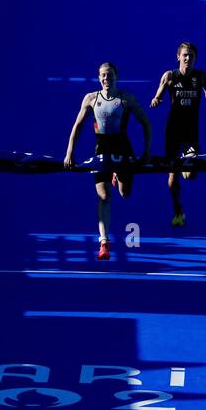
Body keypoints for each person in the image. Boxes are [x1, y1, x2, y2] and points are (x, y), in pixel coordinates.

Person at [64, 62, 151, 261]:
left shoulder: (126, 98)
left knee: (125, 193)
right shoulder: (91, 99)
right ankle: (104, 242)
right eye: (103, 75)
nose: (106, 79)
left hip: (123, 149)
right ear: (98, 78)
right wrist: (69, 152)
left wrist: (145, 152)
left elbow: (146, 123)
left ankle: (117, 177)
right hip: (101, 150)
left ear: (116, 77)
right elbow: (77, 126)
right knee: (103, 196)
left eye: (110, 75)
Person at [151, 42, 206, 227]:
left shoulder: (202, 76)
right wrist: (156, 99)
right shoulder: (170, 76)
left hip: (191, 131)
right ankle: (178, 211)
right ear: (178, 57)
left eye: (191, 56)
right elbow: (158, 94)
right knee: (172, 174)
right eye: (185, 55)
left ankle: (186, 160)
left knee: (191, 175)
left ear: (195, 58)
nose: (188, 58)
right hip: (173, 130)